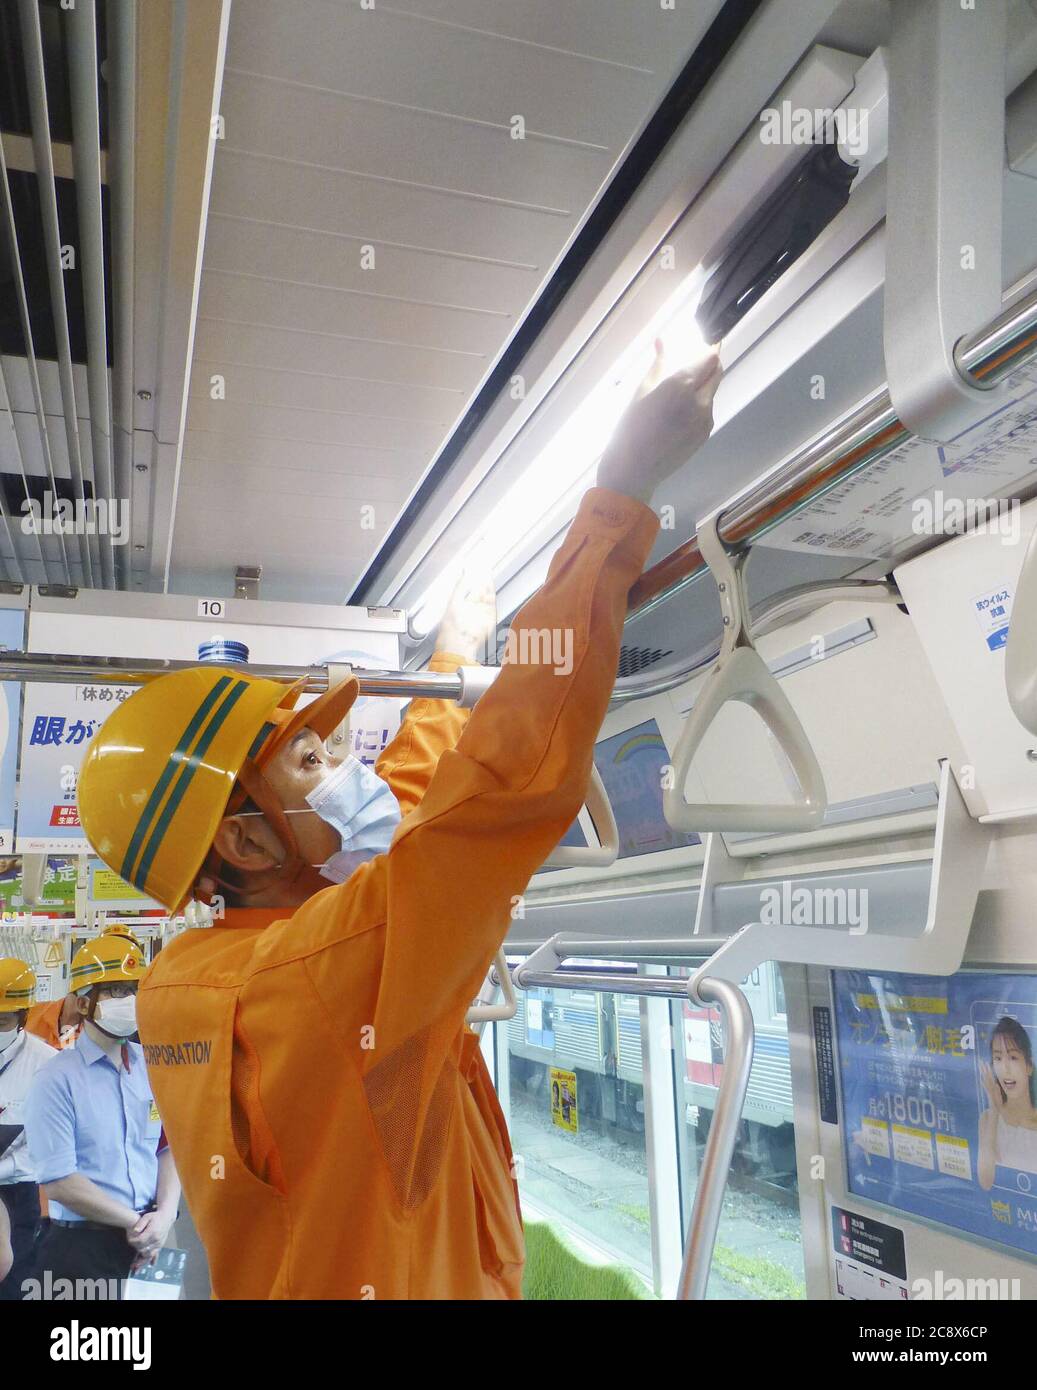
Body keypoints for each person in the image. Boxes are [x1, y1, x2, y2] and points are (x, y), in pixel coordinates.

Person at [75, 348, 722, 1299]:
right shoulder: (324, 973)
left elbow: (413, 822)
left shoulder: (199, 977)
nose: (346, 768)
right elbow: (491, 796)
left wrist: (457, 656)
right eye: (310, 759)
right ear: (245, 841)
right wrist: (614, 505)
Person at [24, 936, 181, 1298]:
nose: (127, 1000)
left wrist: (164, 1216)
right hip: (82, 1248)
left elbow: (168, 1147)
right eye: (113, 990)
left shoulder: (152, 1067)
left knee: (141, 1351)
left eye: (132, 989)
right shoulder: (55, 1080)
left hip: (150, 1243)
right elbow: (60, 1181)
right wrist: (139, 1226)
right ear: (83, 1003)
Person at [0, 957, 56, 1299]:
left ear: (23, 1018)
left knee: (15, 1283)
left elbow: (46, 1144)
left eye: (2, 1019)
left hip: (19, 1191)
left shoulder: (47, 1065)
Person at [978, 1015, 1037, 1188]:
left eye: (1013, 1057)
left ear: (1029, 1066)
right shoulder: (987, 1119)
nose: (1005, 1068)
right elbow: (985, 1182)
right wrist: (995, 1110)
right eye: (998, 1058)